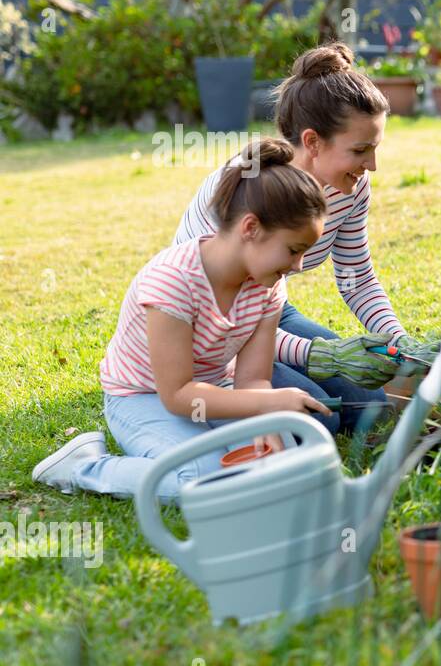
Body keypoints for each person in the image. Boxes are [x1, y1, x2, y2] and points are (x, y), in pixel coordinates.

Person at [31, 140, 331, 504]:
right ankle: (84, 467)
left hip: (214, 391)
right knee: (199, 482)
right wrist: (268, 406)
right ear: (250, 228)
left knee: (280, 467)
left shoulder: (268, 284)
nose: (298, 265)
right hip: (145, 397)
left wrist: (266, 423)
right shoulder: (173, 281)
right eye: (293, 250)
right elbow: (177, 396)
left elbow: (253, 380)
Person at [174, 42, 412, 434]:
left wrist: (398, 340)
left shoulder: (350, 187)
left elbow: (357, 278)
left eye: (375, 148)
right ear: (313, 142)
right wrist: (321, 354)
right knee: (320, 418)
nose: (372, 165)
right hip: (211, 327)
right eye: (360, 150)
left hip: (268, 311)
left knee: (368, 403)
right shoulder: (245, 186)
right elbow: (226, 317)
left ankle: (286, 368)